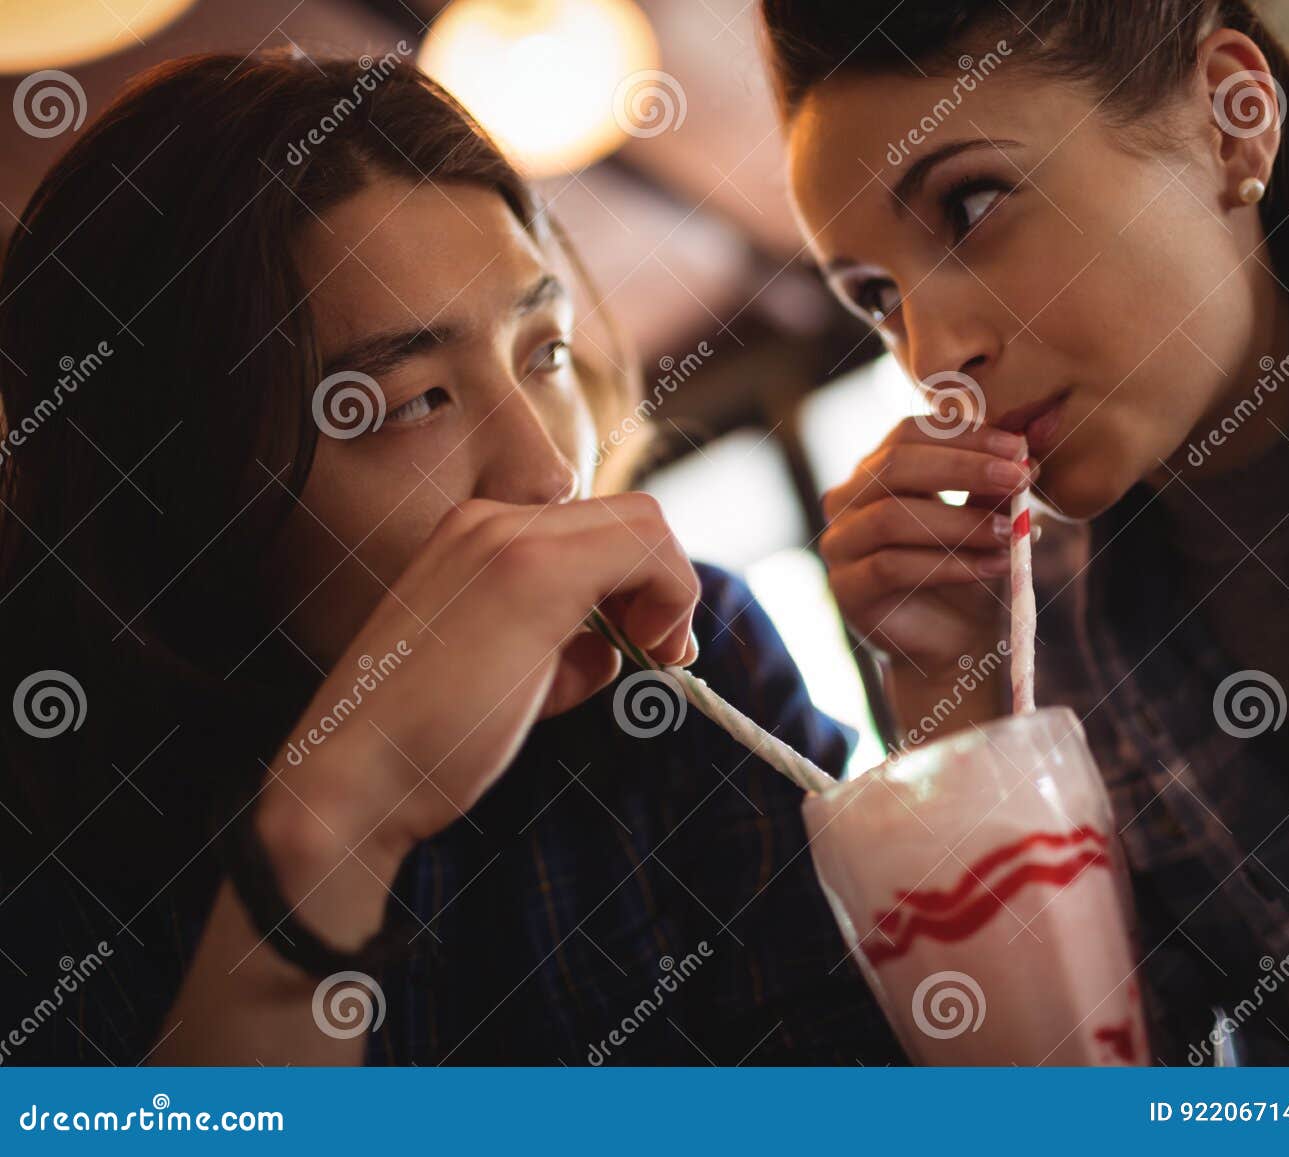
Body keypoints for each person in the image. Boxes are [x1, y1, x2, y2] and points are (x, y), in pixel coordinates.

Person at [0, 51, 901, 1066]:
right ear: (168, 496)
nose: (548, 471)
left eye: (544, 352)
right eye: (406, 401)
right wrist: (336, 820)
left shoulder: (687, 666)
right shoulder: (44, 835)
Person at [761, 0, 1289, 1063]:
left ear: (1228, 117)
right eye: (879, 298)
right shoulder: (1058, 650)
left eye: (970, 206)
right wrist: (968, 741)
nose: (934, 358)